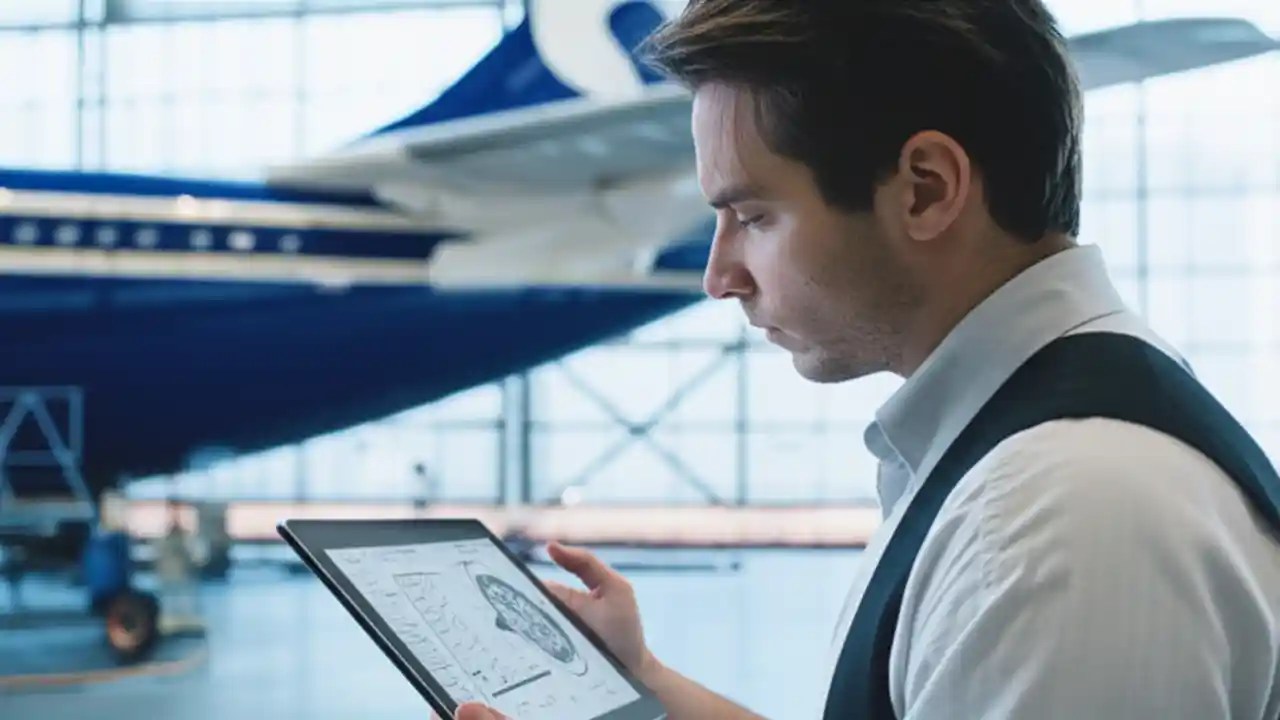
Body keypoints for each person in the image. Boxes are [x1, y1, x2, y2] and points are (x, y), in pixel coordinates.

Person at [455, 1, 1280, 718]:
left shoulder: (1055, 515)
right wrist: (642, 681)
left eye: (754, 214)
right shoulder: (1045, 444)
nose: (719, 276)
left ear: (924, 188)